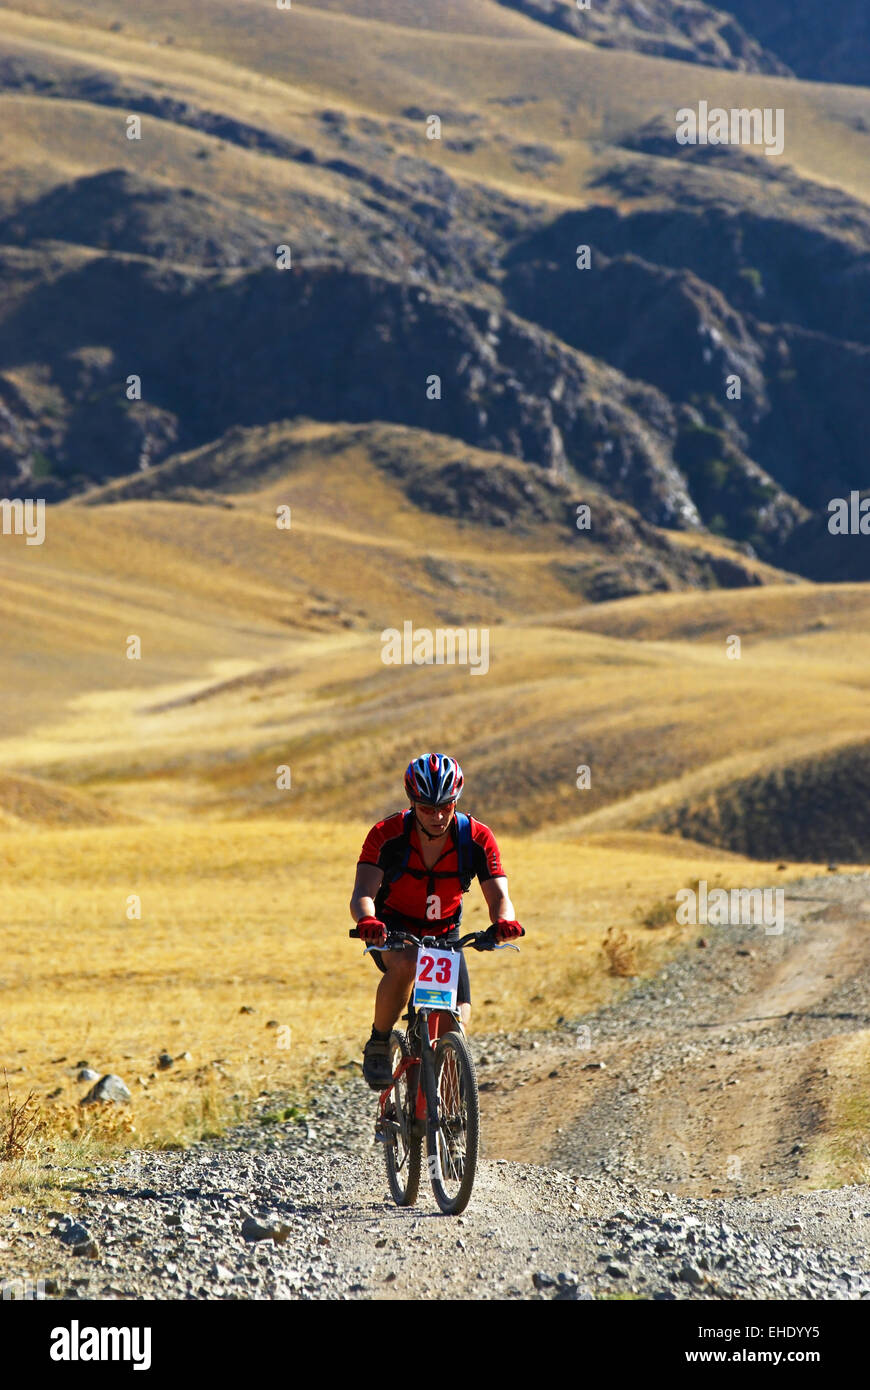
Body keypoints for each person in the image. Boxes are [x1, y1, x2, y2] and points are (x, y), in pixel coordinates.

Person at [349, 752, 524, 1089]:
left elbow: (499, 896)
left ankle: (446, 1108)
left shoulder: (475, 837)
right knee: (406, 964)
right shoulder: (386, 834)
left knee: (459, 1016)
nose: (438, 816)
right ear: (412, 803)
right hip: (393, 928)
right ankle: (379, 1043)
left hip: (445, 932)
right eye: (428, 809)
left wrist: (505, 922)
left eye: (447, 806)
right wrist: (368, 920)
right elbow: (362, 892)